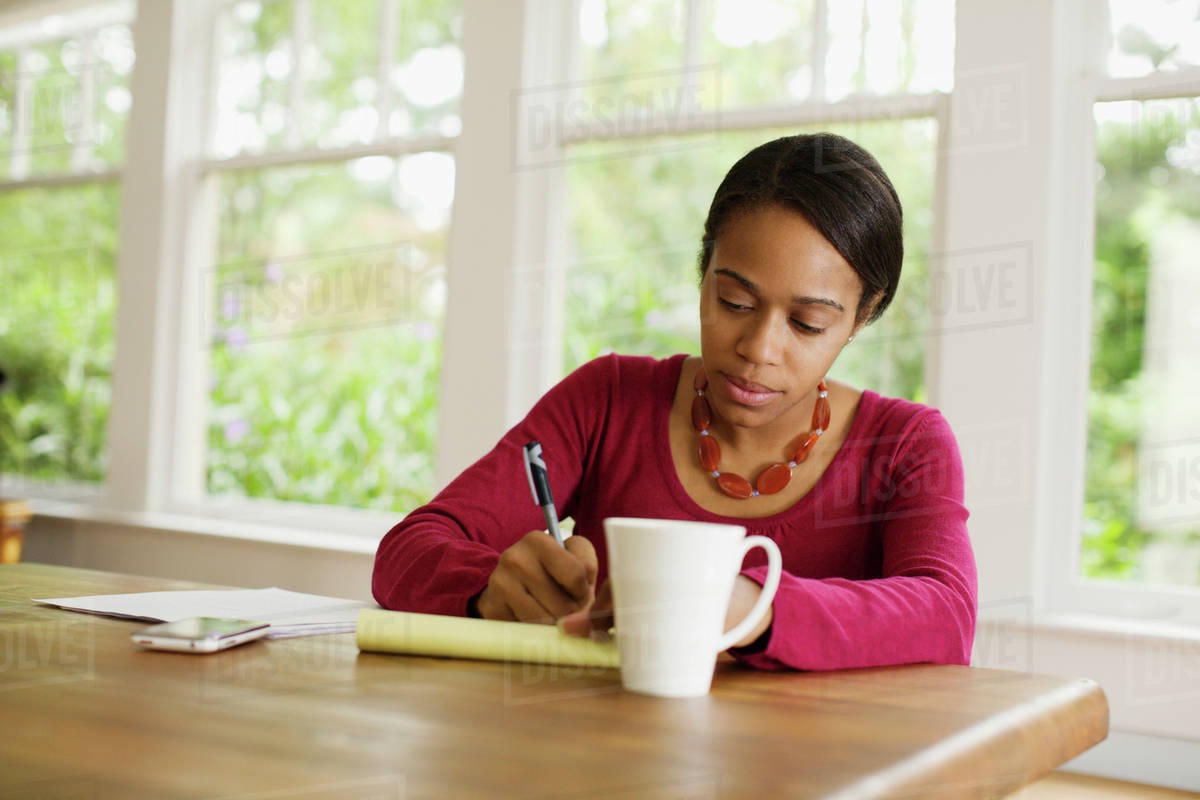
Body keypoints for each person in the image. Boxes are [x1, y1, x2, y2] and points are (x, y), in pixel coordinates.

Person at [372, 132, 977, 671]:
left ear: (863, 316)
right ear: (702, 271)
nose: (758, 348)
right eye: (735, 302)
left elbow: (946, 614)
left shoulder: (906, 444)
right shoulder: (605, 400)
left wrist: (751, 606)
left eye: (808, 323)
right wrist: (489, 585)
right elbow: (409, 549)